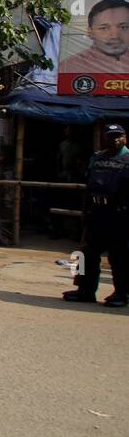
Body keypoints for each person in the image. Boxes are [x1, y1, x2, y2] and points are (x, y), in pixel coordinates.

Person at [63, 124, 128, 307]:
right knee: (87, 253)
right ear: (104, 138)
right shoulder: (97, 158)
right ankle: (85, 290)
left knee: (119, 256)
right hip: (97, 212)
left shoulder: (128, 159)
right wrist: (86, 211)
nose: (115, 139)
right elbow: (89, 187)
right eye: (111, 136)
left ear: (125, 138)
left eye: (119, 136)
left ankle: (121, 294)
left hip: (119, 215)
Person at [63, 0, 129, 74]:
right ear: (90, 32)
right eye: (104, 28)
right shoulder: (69, 68)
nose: (115, 36)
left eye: (123, 27)